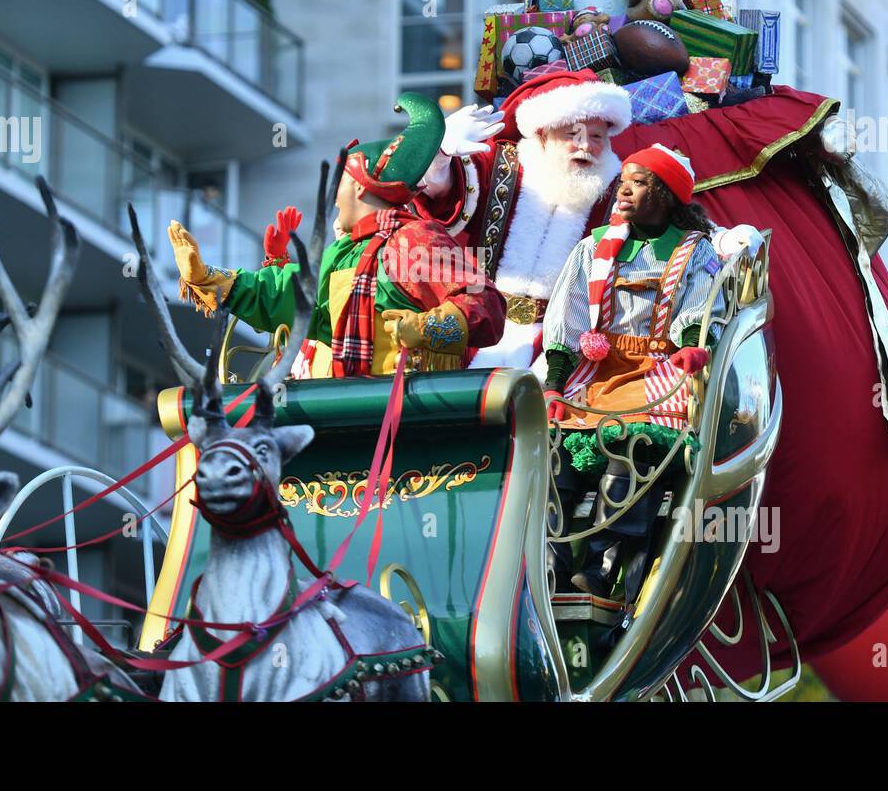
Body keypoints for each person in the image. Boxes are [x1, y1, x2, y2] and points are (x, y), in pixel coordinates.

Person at [167, 93, 506, 378]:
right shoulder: (343, 252)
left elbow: (486, 307)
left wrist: (425, 327)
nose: (334, 194)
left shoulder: (411, 239)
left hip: (409, 414)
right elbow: (285, 295)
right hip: (345, 408)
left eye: (340, 180)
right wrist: (207, 278)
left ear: (358, 186)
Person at [541, 144, 726, 603]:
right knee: (556, 446)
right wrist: (554, 383)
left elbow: (703, 309)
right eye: (624, 177)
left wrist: (690, 349)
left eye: (640, 181)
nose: (624, 187)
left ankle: (600, 569)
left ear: (665, 195)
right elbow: (569, 314)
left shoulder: (693, 253)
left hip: (658, 369)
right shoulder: (593, 247)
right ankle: (551, 568)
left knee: (633, 443)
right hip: (598, 367)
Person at [415, 69, 633, 372]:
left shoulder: (619, 191)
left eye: (597, 137)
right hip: (480, 329)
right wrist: (440, 154)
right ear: (543, 134)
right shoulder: (500, 166)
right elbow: (439, 194)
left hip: (560, 346)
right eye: (572, 135)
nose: (586, 146)